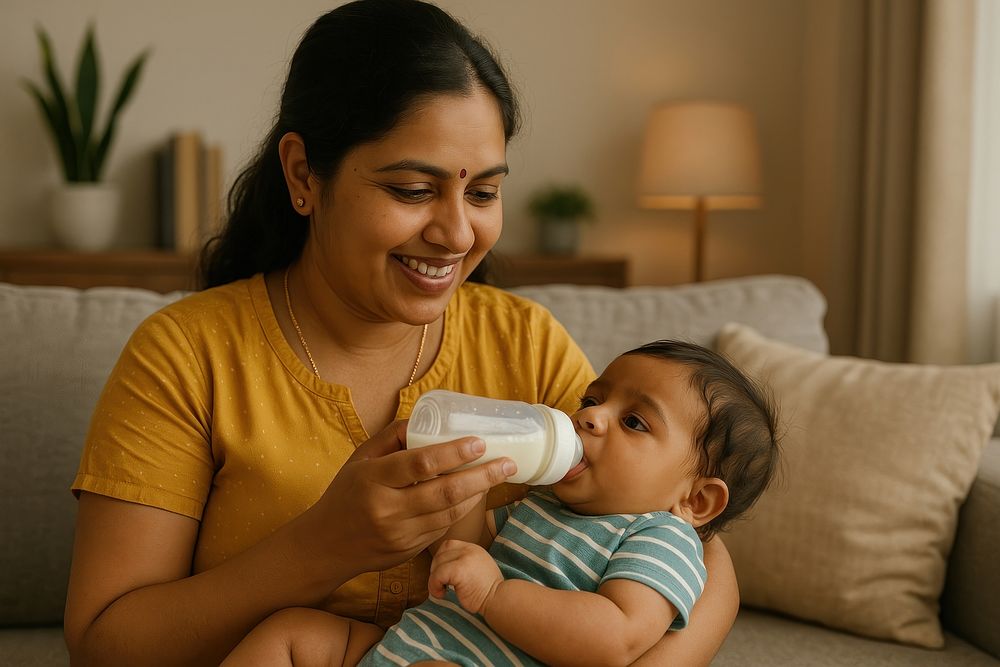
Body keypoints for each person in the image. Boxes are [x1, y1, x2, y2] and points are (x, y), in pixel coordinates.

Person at [63, 1, 742, 664]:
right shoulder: (186, 356)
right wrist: (323, 546)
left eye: (481, 193)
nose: (456, 233)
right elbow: (104, 642)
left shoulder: (525, 343)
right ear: (303, 174)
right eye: (414, 190)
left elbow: (697, 547)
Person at [222, 340, 780, 666]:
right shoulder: (545, 504)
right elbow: (467, 552)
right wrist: (472, 482)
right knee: (293, 633)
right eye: (594, 399)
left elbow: (618, 636)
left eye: (633, 422)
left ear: (698, 499)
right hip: (404, 646)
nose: (589, 417)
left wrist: (493, 592)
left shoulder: (661, 539)